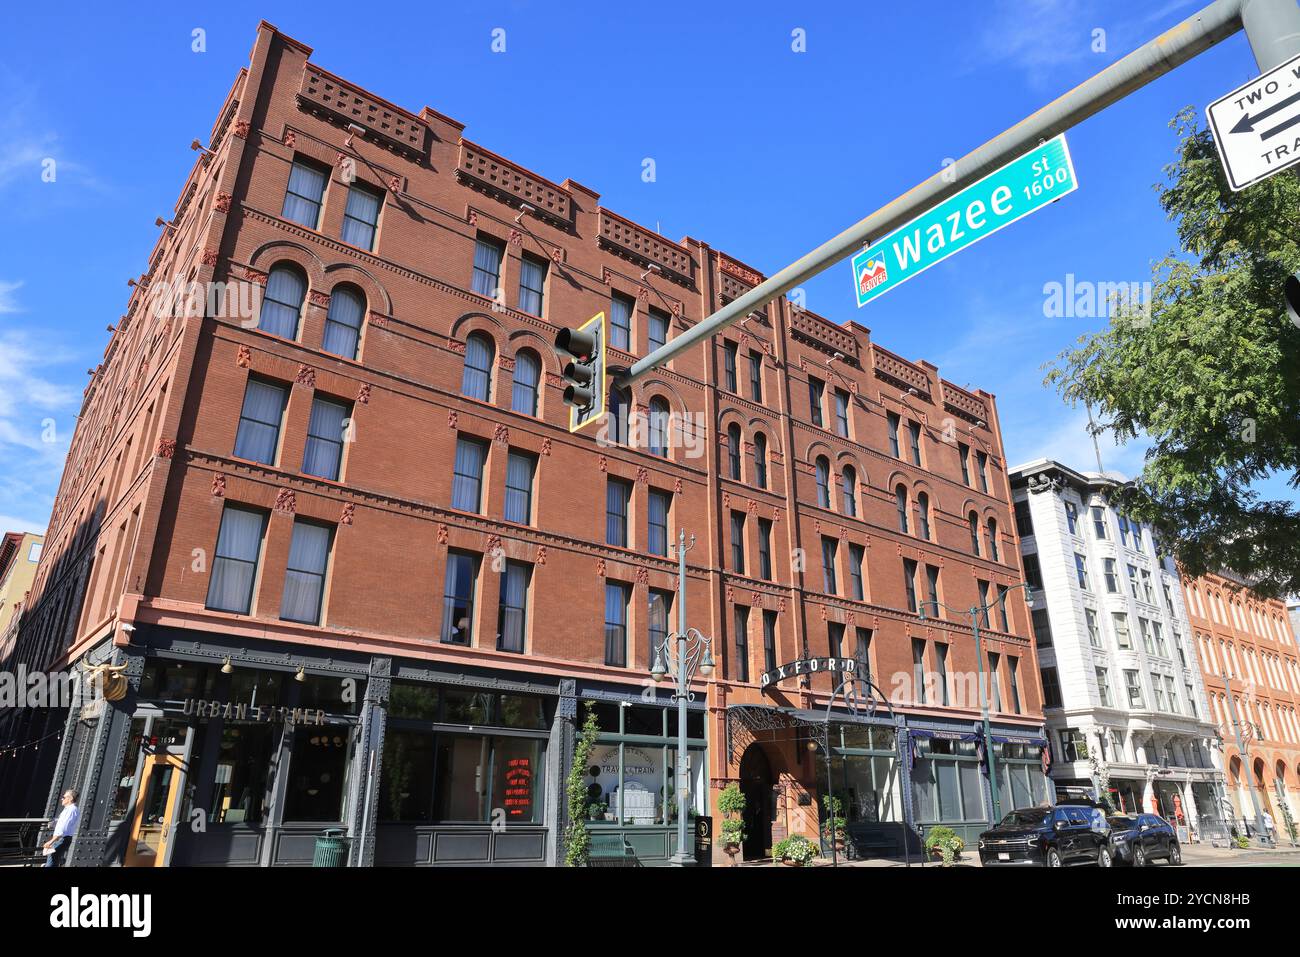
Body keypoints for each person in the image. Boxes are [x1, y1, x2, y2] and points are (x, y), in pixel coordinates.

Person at [43, 789, 80, 867]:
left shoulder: (71, 810)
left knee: (51, 861)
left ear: (70, 798)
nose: (62, 799)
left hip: (62, 839)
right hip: (61, 839)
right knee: (53, 861)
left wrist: (51, 841)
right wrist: (54, 823)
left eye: (64, 797)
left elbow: (64, 828)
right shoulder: (68, 809)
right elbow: (63, 823)